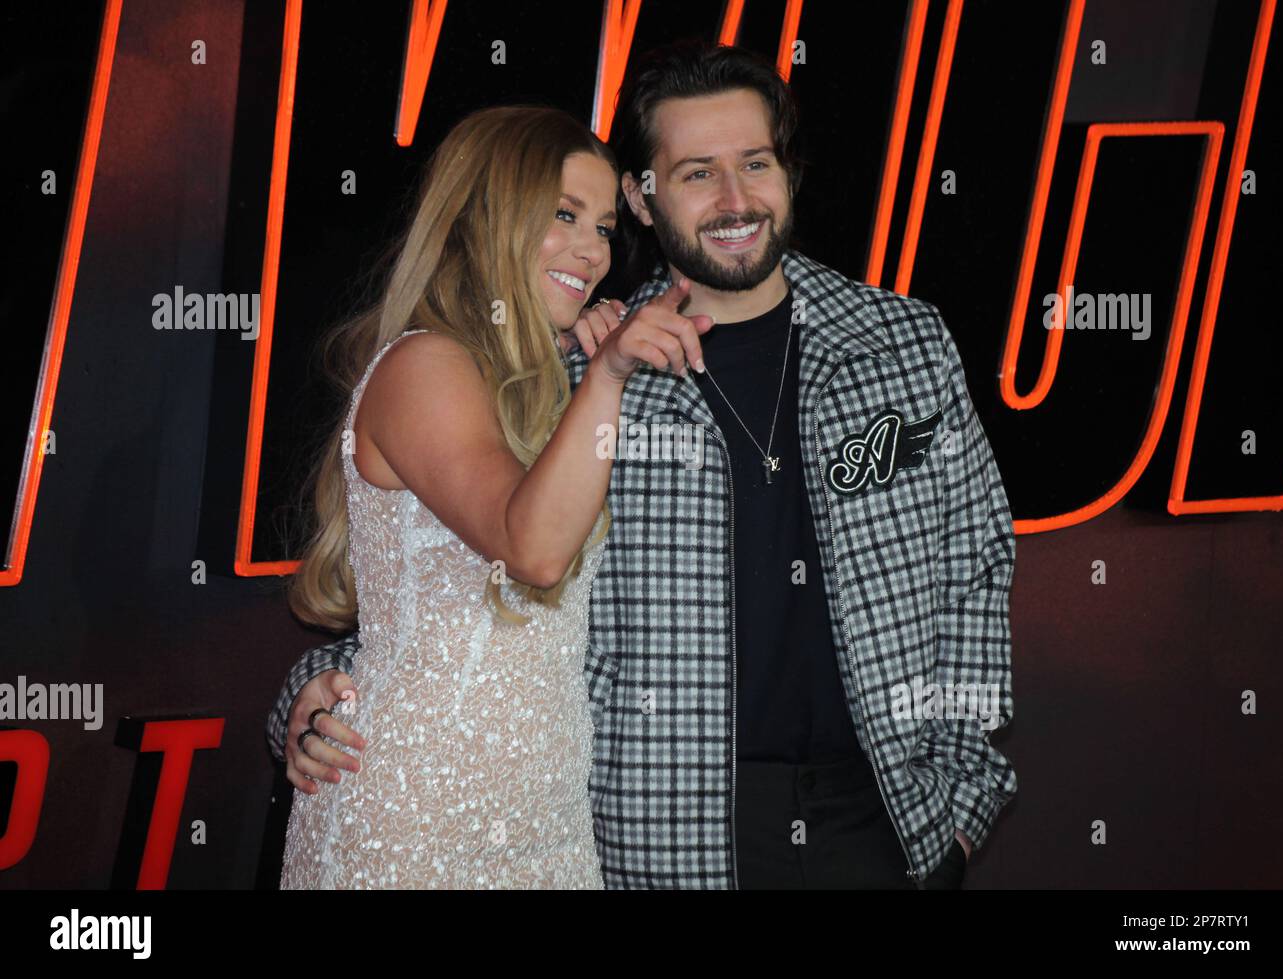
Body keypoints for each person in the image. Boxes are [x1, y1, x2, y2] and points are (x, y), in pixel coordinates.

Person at [270, 42, 1016, 890]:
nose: (736, 200)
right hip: (656, 839)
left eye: (756, 163)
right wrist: (314, 686)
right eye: (698, 173)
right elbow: (452, 584)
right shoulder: (576, 371)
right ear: (644, 194)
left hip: (882, 819)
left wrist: (958, 802)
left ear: (789, 172)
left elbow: (977, 565)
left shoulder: (905, 345)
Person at [277, 104, 711, 889]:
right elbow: (534, 549)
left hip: (549, 823)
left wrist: (592, 374)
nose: (592, 250)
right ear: (486, 217)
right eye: (563, 215)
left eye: (606, 227)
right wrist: (608, 373)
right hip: (415, 825)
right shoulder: (424, 366)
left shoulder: (544, 379)